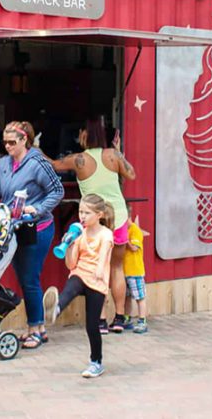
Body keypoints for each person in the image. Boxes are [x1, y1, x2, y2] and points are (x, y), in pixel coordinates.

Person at [46, 117, 136, 333]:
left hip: (94, 220)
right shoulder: (113, 156)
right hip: (119, 217)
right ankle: (121, 318)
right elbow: (132, 175)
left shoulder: (78, 159)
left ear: (85, 134)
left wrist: (36, 148)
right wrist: (119, 151)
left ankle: (101, 320)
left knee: (97, 269)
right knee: (116, 268)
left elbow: (53, 165)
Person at [0, 120, 64, 349]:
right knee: (25, 278)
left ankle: (35, 329)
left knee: (30, 278)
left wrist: (37, 209)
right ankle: (38, 329)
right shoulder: (5, 163)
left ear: (24, 140)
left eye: (11, 142)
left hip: (36, 228)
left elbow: (57, 190)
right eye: (5, 142)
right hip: (14, 227)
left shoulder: (37, 162)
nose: (7, 146)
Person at [44, 194, 114, 378]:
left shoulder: (105, 234)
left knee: (92, 326)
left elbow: (105, 253)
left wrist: (99, 269)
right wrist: (69, 246)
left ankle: (96, 362)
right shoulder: (79, 233)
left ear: (99, 214)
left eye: (87, 213)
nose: (82, 216)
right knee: (71, 285)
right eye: (81, 211)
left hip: (97, 281)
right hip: (80, 273)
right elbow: (71, 265)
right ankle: (56, 309)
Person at [122, 206, 148, 334]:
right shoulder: (125, 230)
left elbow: (133, 248)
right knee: (126, 297)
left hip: (135, 271)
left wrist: (124, 239)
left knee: (139, 297)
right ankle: (127, 318)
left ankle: (142, 320)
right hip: (124, 271)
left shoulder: (135, 230)